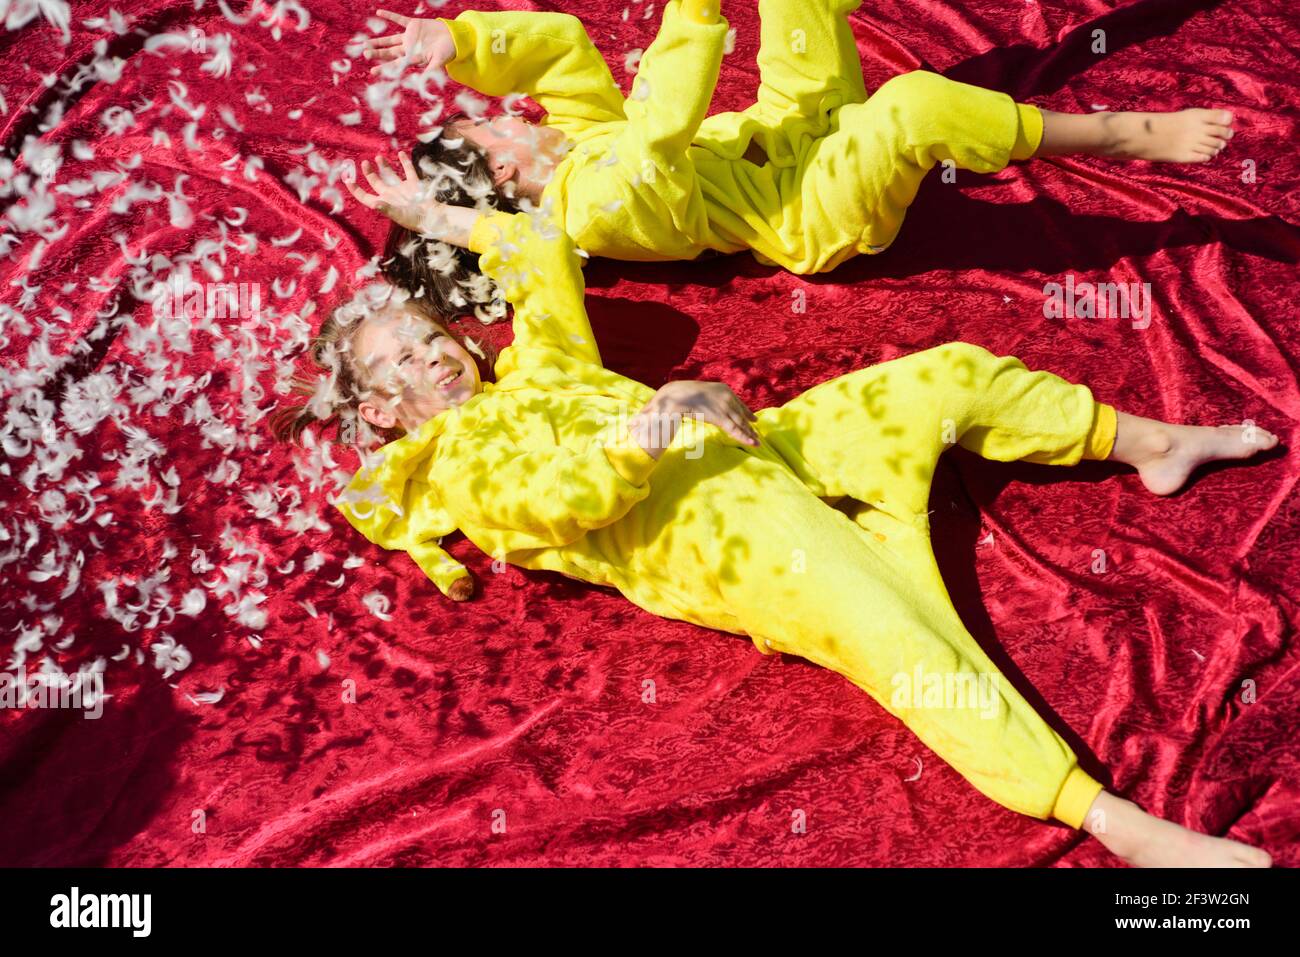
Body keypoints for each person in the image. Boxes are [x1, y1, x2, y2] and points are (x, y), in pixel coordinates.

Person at [275, 206, 1276, 867]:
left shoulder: (535, 368)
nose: (429, 362)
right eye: (394, 367)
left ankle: (1153, 443)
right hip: (729, 543)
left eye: (424, 337)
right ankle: (1118, 825)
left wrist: (443, 218)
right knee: (903, 646)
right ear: (379, 414)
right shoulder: (453, 466)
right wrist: (654, 424)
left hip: (768, 445)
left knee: (942, 374)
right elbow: (555, 502)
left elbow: (537, 255)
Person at [353, 0, 1236, 307]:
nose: (509, 114)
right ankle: (1126, 134)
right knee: (915, 102)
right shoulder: (590, 208)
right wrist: (694, 16)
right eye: (490, 126)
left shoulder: (574, 140)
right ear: (504, 171)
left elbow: (561, 49)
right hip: (810, 213)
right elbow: (660, 124)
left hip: (789, 129)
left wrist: (457, 38)